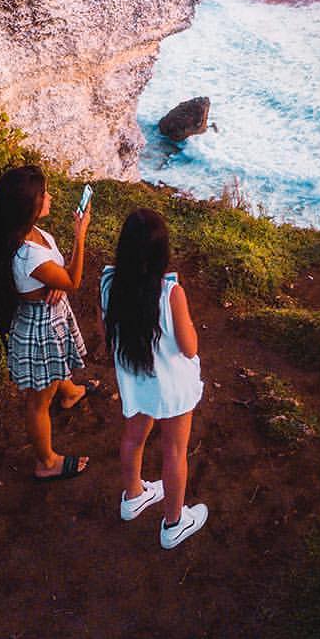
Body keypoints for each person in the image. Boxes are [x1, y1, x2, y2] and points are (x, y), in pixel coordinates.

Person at [101, 208, 207, 549]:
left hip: (135, 378)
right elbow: (189, 348)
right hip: (171, 385)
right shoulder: (170, 293)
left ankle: (133, 496)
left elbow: (107, 328)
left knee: (134, 438)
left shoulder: (108, 283)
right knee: (174, 451)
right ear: (162, 253)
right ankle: (174, 522)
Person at [0, 165, 95, 481]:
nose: (50, 197)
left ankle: (70, 392)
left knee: (55, 370)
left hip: (48, 316)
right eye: (43, 195)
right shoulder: (27, 255)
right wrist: (80, 234)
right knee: (37, 400)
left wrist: (53, 281)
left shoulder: (22, 234)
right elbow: (72, 279)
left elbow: (52, 274)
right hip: (39, 328)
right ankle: (47, 462)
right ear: (28, 207)